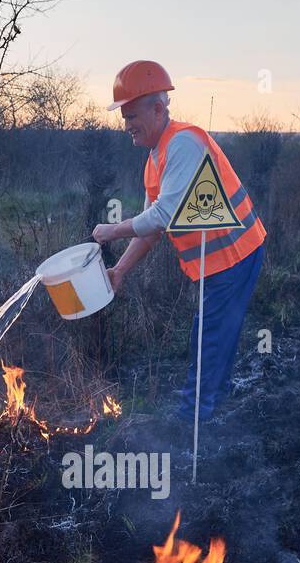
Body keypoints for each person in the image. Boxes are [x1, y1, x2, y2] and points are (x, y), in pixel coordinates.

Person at [91, 60, 266, 423]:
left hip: (235, 255)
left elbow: (161, 217)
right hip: (216, 261)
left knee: (208, 338)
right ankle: (213, 404)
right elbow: (152, 231)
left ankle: (192, 420)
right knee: (215, 333)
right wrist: (120, 270)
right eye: (124, 118)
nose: (127, 126)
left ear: (158, 109)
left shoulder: (184, 144)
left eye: (132, 116)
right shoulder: (155, 160)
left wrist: (112, 230)